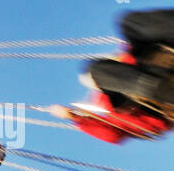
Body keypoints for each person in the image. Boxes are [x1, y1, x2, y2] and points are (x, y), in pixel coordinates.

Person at [52, 9, 174, 143]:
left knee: (130, 23)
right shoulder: (110, 106)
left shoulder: (125, 59)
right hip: (158, 99)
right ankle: (164, 90)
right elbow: (113, 135)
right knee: (97, 71)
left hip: (158, 61)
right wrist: (76, 118)